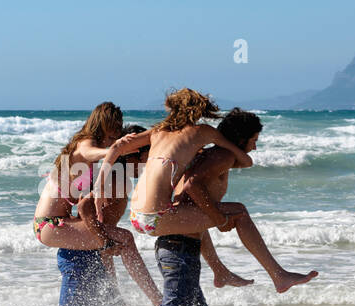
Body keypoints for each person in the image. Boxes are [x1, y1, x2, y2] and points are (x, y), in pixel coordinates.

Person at [98, 108, 318, 306]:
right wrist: (218, 217)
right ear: (241, 138)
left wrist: (217, 266)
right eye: (254, 139)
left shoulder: (207, 155)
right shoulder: (220, 156)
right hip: (176, 248)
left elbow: (193, 212)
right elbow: (192, 186)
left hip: (180, 246)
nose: (256, 145)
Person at [0, 129, 154, 306]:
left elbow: (102, 241)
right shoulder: (113, 179)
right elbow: (88, 212)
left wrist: (111, 271)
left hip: (88, 252)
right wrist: (107, 244)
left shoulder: (119, 180)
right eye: (145, 155)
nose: (147, 162)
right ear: (132, 154)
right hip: (77, 257)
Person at [95, 92, 315, 294]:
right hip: (157, 217)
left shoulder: (158, 133)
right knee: (239, 211)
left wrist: (98, 188)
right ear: (197, 111)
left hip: (136, 217)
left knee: (197, 211)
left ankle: (220, 271)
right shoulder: (202, 132)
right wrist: (220, 219)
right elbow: (245, 160)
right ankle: (279, 275)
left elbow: (116, 148)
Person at [33, 105, 161, 305]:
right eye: (113, 130)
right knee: (125, 238)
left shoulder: (105, 170)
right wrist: (118, 148)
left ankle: (137, 302)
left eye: (119, 130)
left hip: (61, 223)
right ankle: (157, 300)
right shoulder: (85, 144)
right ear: (101, 125)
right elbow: (85, 204)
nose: (116, 135)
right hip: (48, 224)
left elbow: (98, 225)